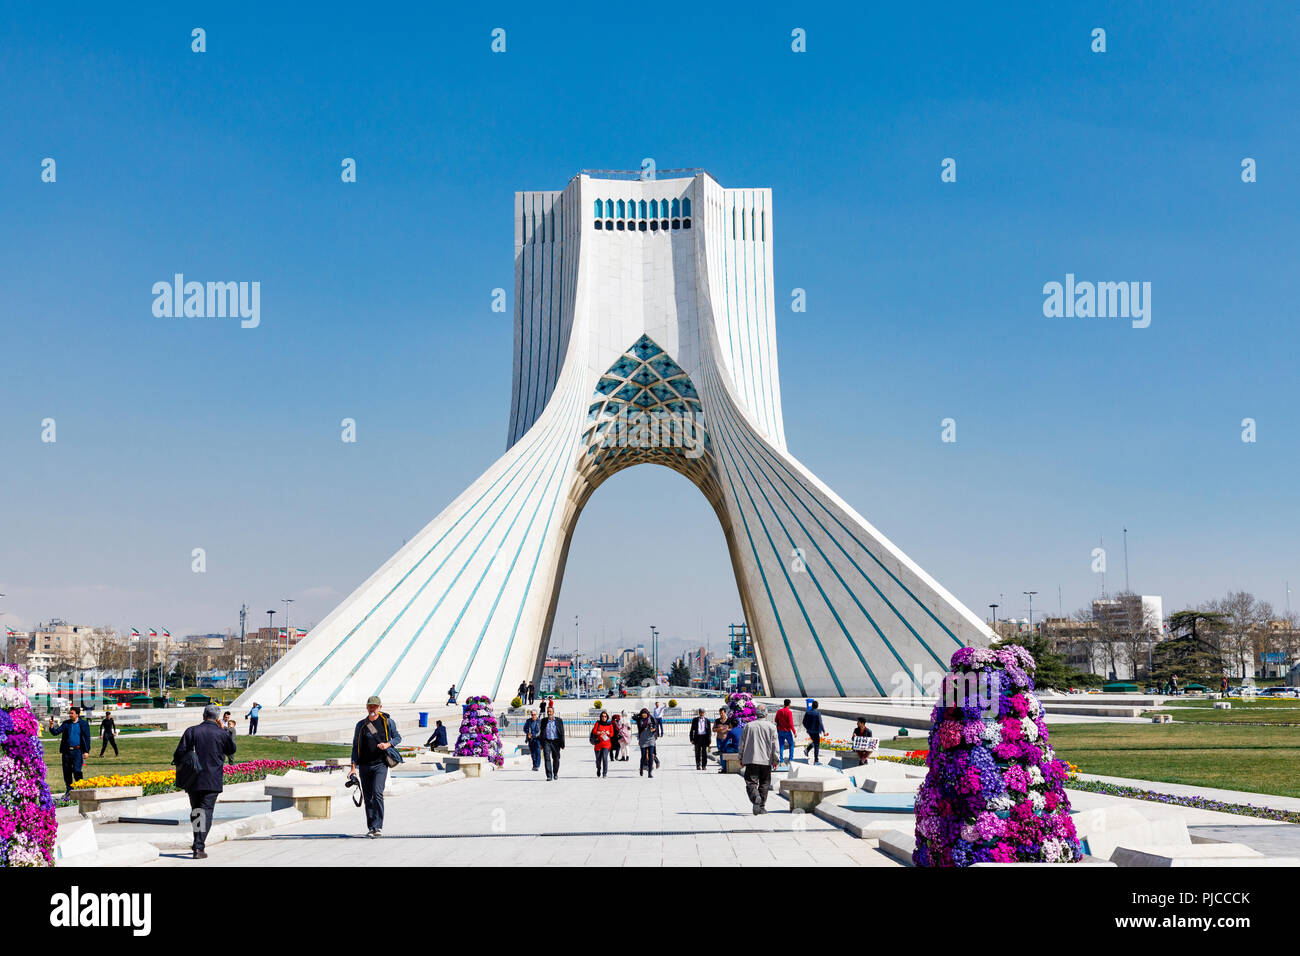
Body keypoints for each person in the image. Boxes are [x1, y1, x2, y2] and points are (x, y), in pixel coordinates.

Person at [172, 704, 237, 858]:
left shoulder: (191, 731)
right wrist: (223, 729)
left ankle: (197, 843)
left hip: (193, 779)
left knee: (196, 811)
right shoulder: (220, 733)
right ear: (218, 718)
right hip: (212, 779)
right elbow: (231, 750)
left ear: (203, 716)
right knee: (206, 811)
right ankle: (198, 847)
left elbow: (178, 754)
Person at [349, 695, 401, 838]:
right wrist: (353, 767)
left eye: (375, 706)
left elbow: (398, 737)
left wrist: (388, 744)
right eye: (370, 706)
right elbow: (355, 747)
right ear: (367, 707)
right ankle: (371, 827)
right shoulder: (361, 725)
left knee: (377, 793)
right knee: (368, 797)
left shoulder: (387, 722)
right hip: (365, 766)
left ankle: (378, 826)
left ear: (380, 707)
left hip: (380, 764)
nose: (372, 708)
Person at [739, 705, 780, 814]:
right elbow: (775, 745)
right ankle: (761, 806)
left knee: (751, 783)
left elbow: (742, 744)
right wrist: (776, 760)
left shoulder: (748, 726)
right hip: (766, 760)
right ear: (766, 714)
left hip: (751, 759)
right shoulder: (772, 727)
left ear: (756, 714)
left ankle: (755, 796)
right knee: (764, 783)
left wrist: (740, 757)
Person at [50, 707, 91, 798]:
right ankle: (69, 790)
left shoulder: (83, 724)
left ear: (77, 714)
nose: (70, 715)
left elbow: (87, 738)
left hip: (78, 751)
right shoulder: (66, 724)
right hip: (66, 751)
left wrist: (86, 751)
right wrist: (51, 726)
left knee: (77, 770)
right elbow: (55, 732)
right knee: (67, 772)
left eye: (72, 713)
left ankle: (80, 788)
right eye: (69, 713)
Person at [538, 705, 565, 779]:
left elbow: (562, 732)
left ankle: (555, 773)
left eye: (550, 711)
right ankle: (549, 776)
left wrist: (563, 743)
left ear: (553, 712)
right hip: (546, 741)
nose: (549, 713)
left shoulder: (559, 720)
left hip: (556, 742)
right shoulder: (543, 721)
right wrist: (541, 744)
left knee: (556, 758)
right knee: (547, 758)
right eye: (548, 712)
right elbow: (541, 733)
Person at [591, 711, 615, 777]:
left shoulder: (610, 724)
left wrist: (608, 733)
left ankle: (604, 773)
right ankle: (598, 768)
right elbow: (594, 731)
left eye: (605, 716)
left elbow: (612, 734)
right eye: (602, 716)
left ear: (607, 717)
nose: (603, 717)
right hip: (598, 744)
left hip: (606, 744)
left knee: (605, 758)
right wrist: (599, 732)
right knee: (598, 760)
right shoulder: (598, 723)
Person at [634, 708, 657, 778]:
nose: (644, 715)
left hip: (651, 739)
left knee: (651, 755)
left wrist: (654, 729)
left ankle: (650, 772)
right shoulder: (639, 719)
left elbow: (656, 724)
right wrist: (638, 715)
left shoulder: (651, 718)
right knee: (643, 756)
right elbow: (633, 717)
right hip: (643, 740)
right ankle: (641, 768)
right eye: (643, 713)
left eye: (645, 713)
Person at [774, 699, 795, 766]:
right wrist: (794, 732)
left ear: (784, 704)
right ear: (789, 704)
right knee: (791, 745)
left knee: (781, 745)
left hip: (780, 731)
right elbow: (791, 723)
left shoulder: (779, 711)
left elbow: (775, 720)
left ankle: (781, 760)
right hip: (787, 731)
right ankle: (790, 760)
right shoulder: (789, 712)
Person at [713, 707, 731, 773]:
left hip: (726, 739)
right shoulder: (717, 721)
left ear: (725, 713)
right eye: (720, 713)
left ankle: (727, 767)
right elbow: (713, 729)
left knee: (726, 753)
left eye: (722, 713)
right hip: (719, 739)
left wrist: (726, 729)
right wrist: (718, 729)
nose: (721, 714)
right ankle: (723, 767)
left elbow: (732, 729)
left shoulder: (729, 721)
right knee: (720, 753)